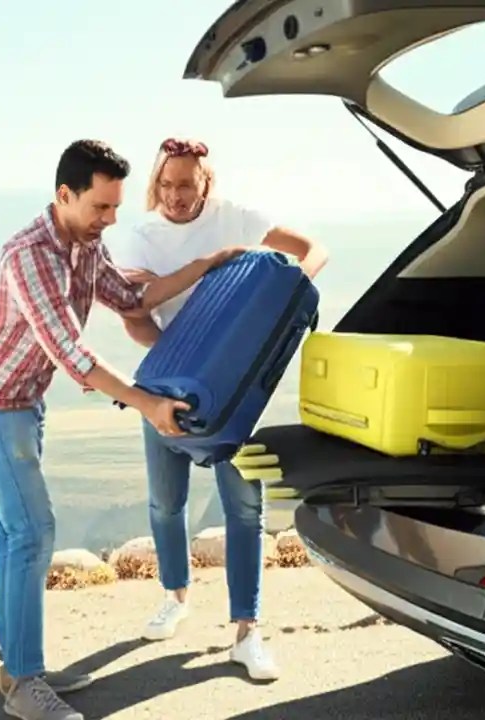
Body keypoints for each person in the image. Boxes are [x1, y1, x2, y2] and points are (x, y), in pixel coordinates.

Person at [0, 139, 247, 720]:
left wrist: (204, 266)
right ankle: (26, 684)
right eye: (100, 208)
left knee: (14, 537)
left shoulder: (84, 245)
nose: (109, 221)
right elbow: (71, 355)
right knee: (32, 532)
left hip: (22, 403)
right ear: (64, 195)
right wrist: (146, 404)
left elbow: (129, 297)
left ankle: (18, 667)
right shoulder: (29, 255)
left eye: (115, 209)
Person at [110, 137, 329, 681]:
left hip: (236, 390)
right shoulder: (139, 236)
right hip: (166, 383)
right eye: (166, 184)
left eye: (186, 184)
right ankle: (176, 597)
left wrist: (286, 295)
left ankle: (247, 633)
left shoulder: (239, 218)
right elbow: (134, 312)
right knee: (166, 503)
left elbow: (312, 251)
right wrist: (183, 346)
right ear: (154, 185)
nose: (176, 195)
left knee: (244, 509)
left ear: (206, 182)